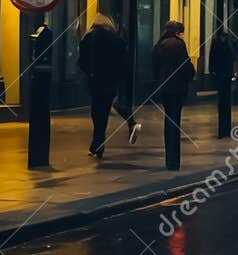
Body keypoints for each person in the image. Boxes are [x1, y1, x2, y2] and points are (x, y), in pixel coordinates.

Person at [78, 13, 139, 157]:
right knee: (104, 111)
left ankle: (97, 145)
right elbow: (125, 61)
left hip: (94, 80)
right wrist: (118, 76)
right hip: (111, 81)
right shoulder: (115, 39)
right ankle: (97, 144)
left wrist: (89, 73)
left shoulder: (88, 37)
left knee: (96, 112)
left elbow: (82, 61)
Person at [152, 20, 194, 171]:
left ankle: (169, 158)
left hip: (165, 88)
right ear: (177, 32)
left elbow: (154, 66)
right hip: (177, 88)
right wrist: (190, 76)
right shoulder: (178, 44)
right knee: (175, 122)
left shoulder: (159, 45)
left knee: (168, 119)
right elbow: (185, 66)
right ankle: (174, 160)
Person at [208, 32, 236, 139]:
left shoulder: (220, 44)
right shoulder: (221, 44)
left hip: (224, 75)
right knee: (224, 103)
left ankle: (225, 130)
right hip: (223, 75)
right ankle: (224, 130)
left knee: (225, 103)